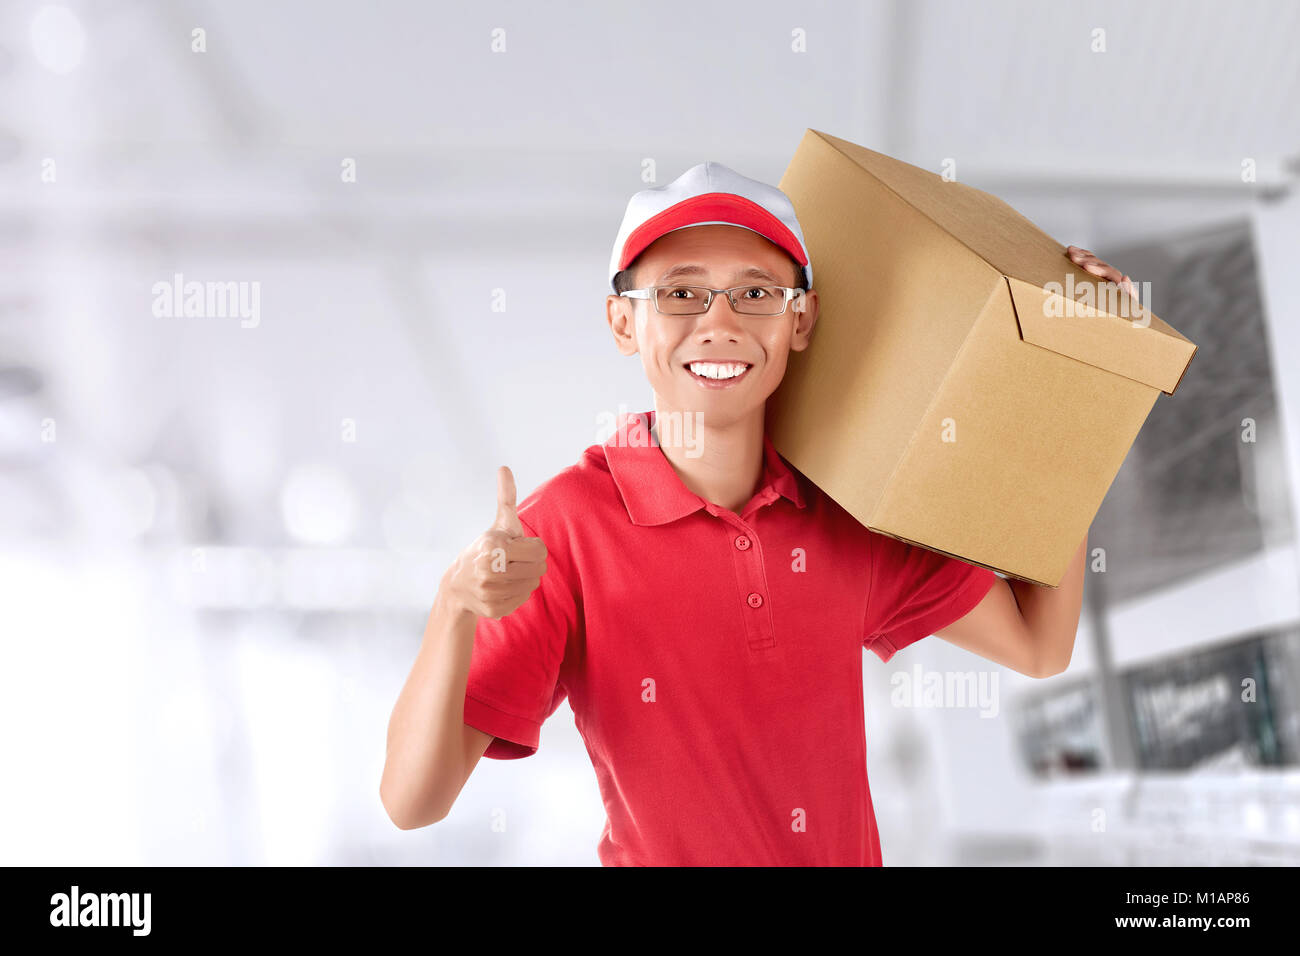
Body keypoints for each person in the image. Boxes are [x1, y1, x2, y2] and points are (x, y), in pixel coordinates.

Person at [380, 161, 1125, 865]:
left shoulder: (847, 515)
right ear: (622, 323)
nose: (720, 321)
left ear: (801, 321)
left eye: (758, 293)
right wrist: (454, 605)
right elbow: (413, 802)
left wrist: (1078, 386)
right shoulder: (563, 531)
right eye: (680, 293)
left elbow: (1038, 645)